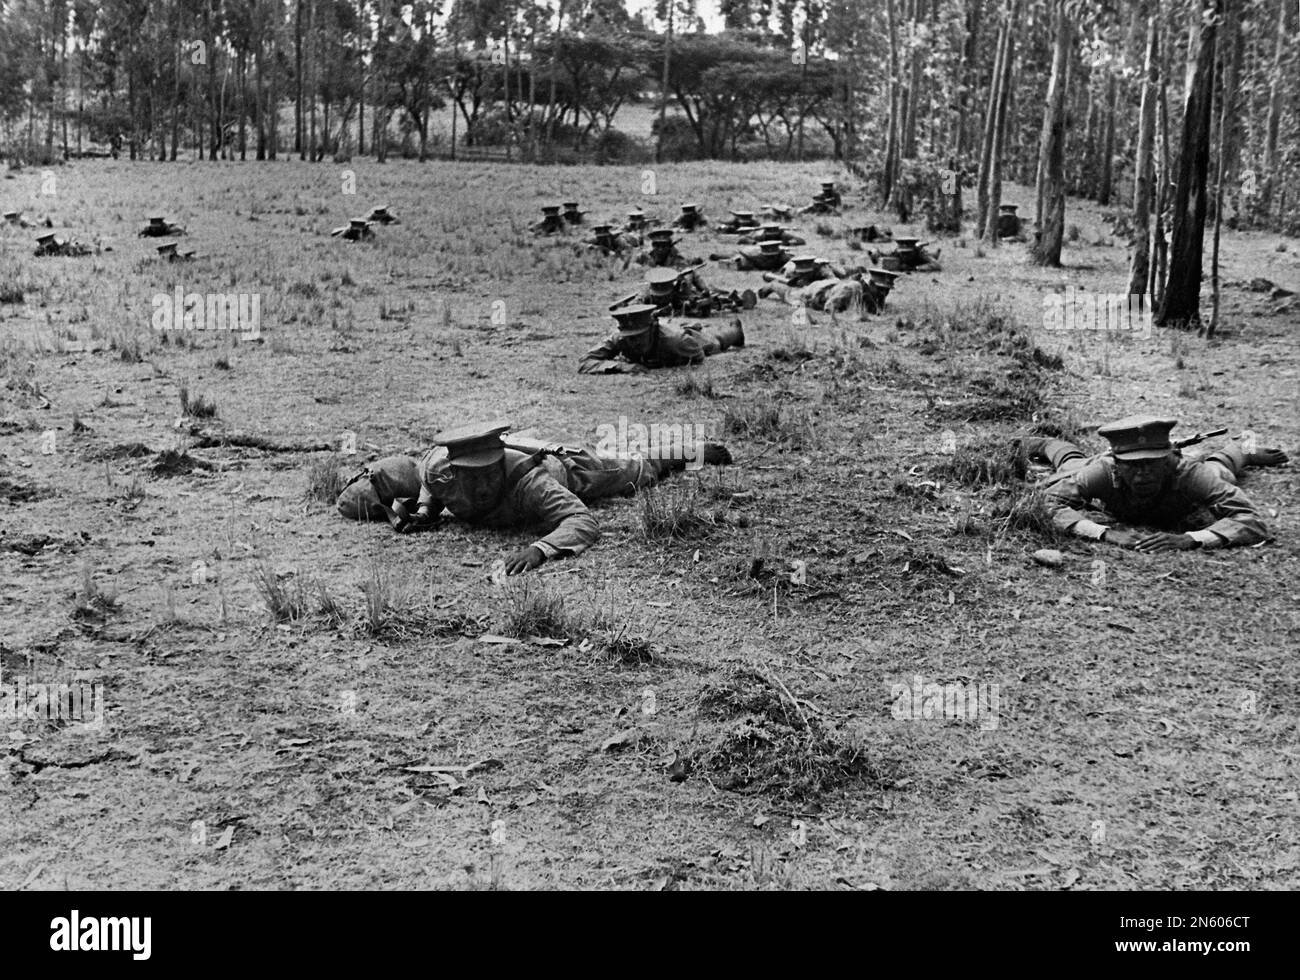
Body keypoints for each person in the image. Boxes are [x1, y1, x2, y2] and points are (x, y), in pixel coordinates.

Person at [395, 423, 733, 572]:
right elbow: (429, 478)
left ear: (499, 464)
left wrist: (540, 549)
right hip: (522, 451)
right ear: (456, 471)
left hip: (571, 470)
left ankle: (685, 450)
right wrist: (426, 509)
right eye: (473, 476)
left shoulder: (528, 483)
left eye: (489, 472)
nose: (483, 483)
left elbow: (582, 520)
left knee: (634, 469)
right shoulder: (438, 470)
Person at [1023, 416, 1288, 551]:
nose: (1143, 474)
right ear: (1117, 463)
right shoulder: (1104, 471)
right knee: (1072, 464)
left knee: (1221, 469)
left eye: (1151, 464)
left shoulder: (1188, 473)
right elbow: (1048, 503)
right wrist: (1104, 533)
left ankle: (1242, 447)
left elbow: (1251, 521)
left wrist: (1191, 539)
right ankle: (1046, 442)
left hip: (1184, 504)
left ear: (1168, 459)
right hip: (1096, 472)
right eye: (1133, 466)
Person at [578, 303, 744, 374]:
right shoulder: (619, 339)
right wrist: (620, 366)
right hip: (668, 334)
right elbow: (586, 361)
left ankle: (735, 330)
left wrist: (666, 365)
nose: (633, 342)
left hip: (690, 341)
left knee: (714, 342)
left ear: (651, 329)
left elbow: (699, 357)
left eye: (638, 337)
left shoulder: (677, 342)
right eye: (629, 338)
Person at [631, 228, 701, 268]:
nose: (660, 249)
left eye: (664, 246)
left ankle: (694, 260)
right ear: (653, 245)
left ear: (670, 246)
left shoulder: (676, 255)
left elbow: (681, 267)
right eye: (657, 246)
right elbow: (634, 264)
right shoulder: (646, 254)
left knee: (689, 261)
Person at [709, 238, 792, 272]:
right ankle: (717, 256)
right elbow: (746, 255)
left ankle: (717, 256)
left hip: (752, 258)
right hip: (748, 257)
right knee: (736, 258)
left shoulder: (782, 256)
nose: (771, 256)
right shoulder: (756, 254)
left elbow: (790, 262)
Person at [734, 223, 807, 247]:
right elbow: (743, 239)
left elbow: (801, 240)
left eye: (774, 230)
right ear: (765, 231)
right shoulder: (760, 236)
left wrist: (788, 243)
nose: (772, 233)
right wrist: (754, 243)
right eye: (769, 230)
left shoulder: (784, 235)